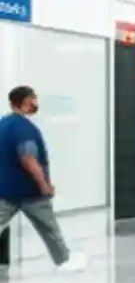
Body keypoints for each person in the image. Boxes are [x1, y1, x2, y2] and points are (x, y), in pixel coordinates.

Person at [0, 86, 88, 272]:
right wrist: (44, 184)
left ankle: (64, 259)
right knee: (49, 227)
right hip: (29, 191)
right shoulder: (24, 128)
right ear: (25, 101)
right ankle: (64, 261)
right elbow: (28, 158)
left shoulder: (4, 123)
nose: (36, 102)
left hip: (5, 188)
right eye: (34, 98)